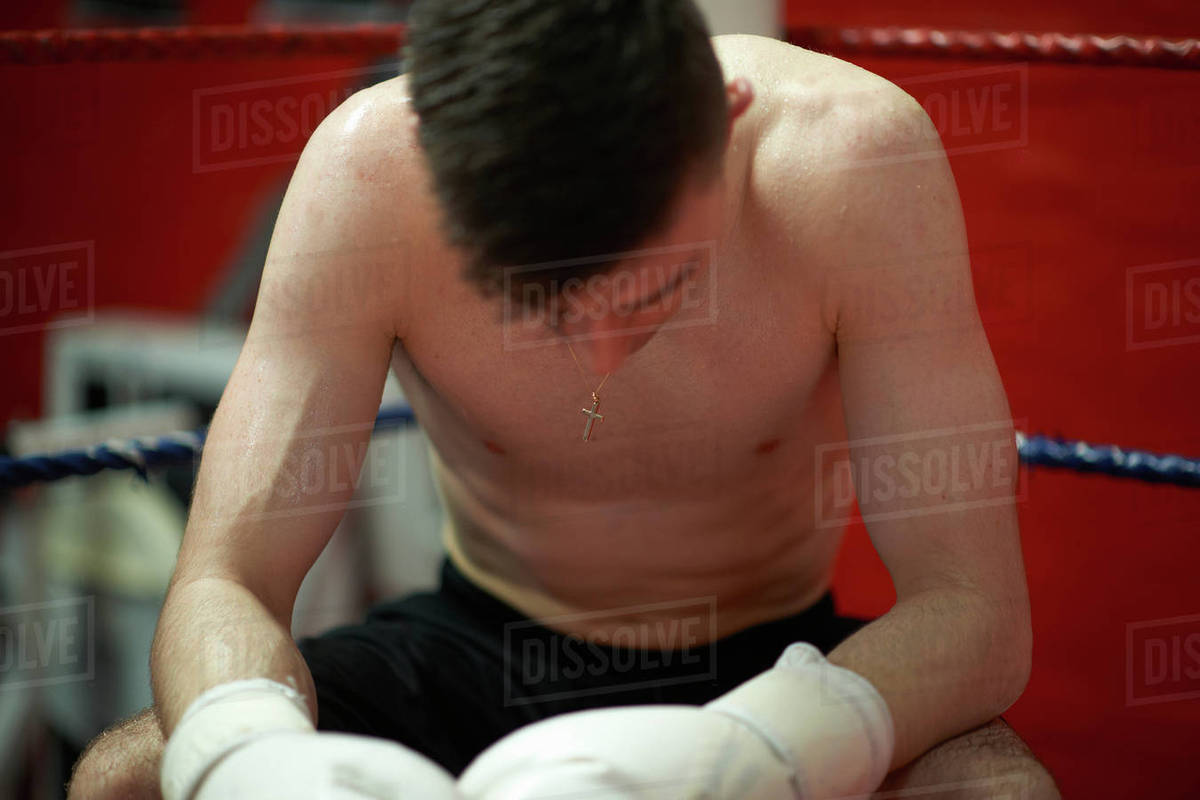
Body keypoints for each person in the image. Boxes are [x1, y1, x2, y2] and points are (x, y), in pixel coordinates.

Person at [70, 2, 1059, 798]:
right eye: (541, 303)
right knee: (124, 775)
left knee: (998, 788)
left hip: (773, 651)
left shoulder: (853, 162)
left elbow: (973, 607)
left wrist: (774, 743)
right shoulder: (370, 175)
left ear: (730, 118)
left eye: (657, 291)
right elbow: (226, 577)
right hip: (478, 640)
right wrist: (251, 753)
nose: (602, 356)